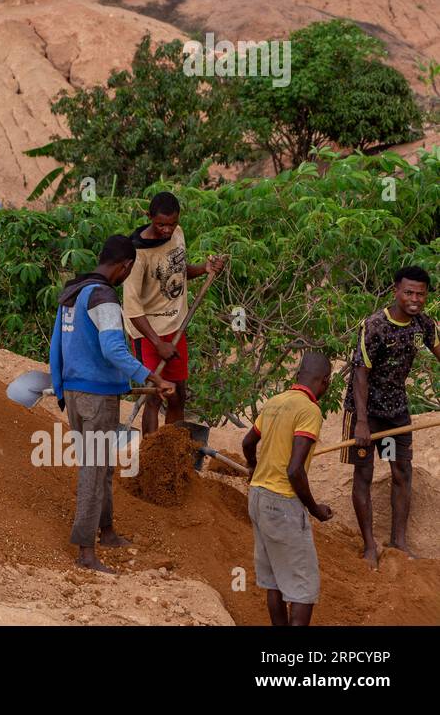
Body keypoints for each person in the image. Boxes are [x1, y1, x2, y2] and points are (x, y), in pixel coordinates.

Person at [49, 234, 175, 573]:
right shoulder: (103, 297)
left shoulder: (72, 294)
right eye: (128, 272)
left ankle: (106, 532)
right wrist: (154, 378)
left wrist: (62, 390)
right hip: (97, 397)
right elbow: (114, 350)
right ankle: (86, 553)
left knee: (101, 465)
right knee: (93, 470)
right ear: (125, 266)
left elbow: (55, 347)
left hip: (76, 394)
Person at [345, 265, 439, 567]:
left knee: (401, 471)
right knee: (365, 473)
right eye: (409, 292)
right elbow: (360, 374)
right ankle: (369, 545)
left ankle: (398, 541)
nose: (415, 299)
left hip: (396, 409)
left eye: (421, 294)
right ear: (395, 291)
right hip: (366, 411)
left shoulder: (424, 325)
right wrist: (360, 421)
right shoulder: (374, 325)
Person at [241, 351, 335, 626]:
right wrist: (315, 509)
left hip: (257, 496)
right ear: (325, 382)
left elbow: (248, 443)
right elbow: (294, 470)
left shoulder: (274, 402)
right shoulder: (309, 410)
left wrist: (252, 467)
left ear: (297, 376)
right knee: (304, 591)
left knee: (275, 582)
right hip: (282, 502)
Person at [123, 191, 227, 436]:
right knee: (154, 395)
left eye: (172, 224)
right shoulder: (136, 255)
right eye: (161, 224)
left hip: (176, 330)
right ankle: (151, 456)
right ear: (149, 217)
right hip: (147, 335)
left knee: (178, 394)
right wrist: (158, 343)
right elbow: (132, 309)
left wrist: (204, 268)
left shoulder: (177, 234)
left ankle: (173, 452)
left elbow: (177, 272)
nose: (167, 230)